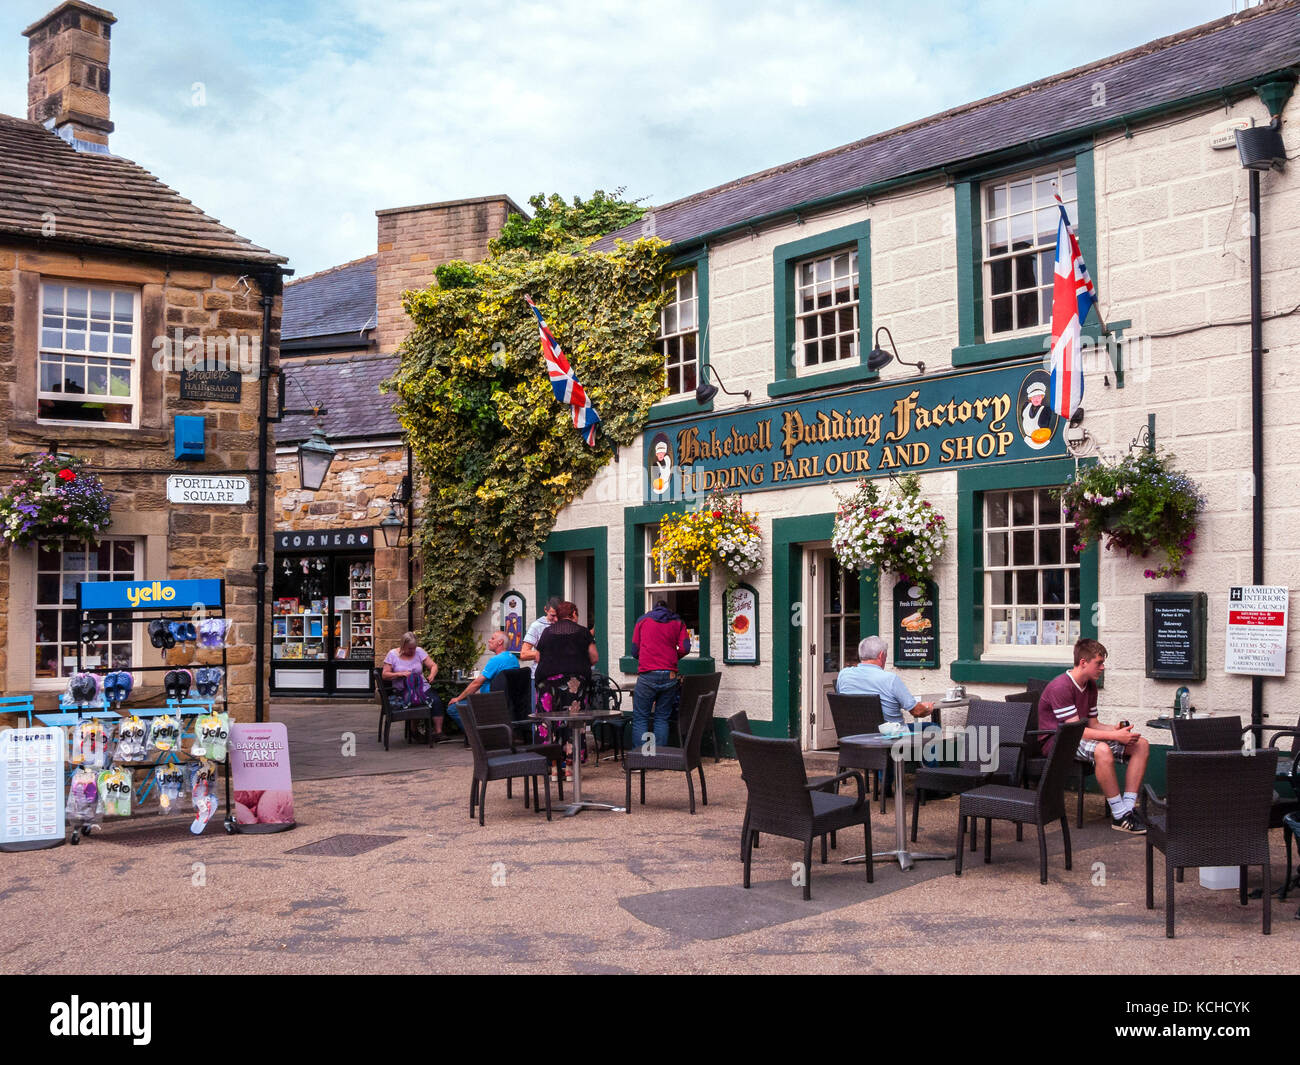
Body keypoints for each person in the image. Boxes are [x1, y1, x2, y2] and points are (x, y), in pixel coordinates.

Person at [1037, 638, 1149, 834]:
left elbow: (1093, 725)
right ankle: (1119, 815)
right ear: (1083, 662)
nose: (1102, 667)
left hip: (1077, 736)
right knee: (1102, 750)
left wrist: (1114, 730)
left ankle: (1128, 810)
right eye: (1099, 663)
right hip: (1057, 741)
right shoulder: (1061, 686)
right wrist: (1114, 738)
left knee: (1141, 744)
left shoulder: (1090, 686)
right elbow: (1075, 731)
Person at [534, 601, 599, 781]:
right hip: (574, 682)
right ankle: (570, 769)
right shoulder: (583, 632)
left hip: (547, 683)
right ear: (574, 614)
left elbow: (538, 657)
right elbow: (594, 657)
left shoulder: (547, 632)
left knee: (549, 722)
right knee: (574, 722)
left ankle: (554, 769)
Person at [630, 598, 692, 750]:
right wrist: (671, 657)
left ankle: (643, 758)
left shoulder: (642, 620)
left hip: (648, 674)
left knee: (641, 718)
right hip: (669, 675)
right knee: (661, 718)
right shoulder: (677, 622)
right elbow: (685, 647)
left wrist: (648, 658)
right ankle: (659, 759)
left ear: (653, 609)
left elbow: (634, 650)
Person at [836, 635, 934, 723]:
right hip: (890, 738)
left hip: (854, 737)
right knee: (933, 729)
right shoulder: (890, 679)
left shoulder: (844, 674)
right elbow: (917, 711)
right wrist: (927, 707)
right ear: (881, 655)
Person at [445, 631, 520, 732]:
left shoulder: (496, 660)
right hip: (506, 701)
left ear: (500, 642)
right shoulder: (513, 658)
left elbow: (476, 683)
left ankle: (478, 736)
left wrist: (458, 698)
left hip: (489, 701)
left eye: (493, 638)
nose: (489, 640)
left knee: (453, 708)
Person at [382, 631, 449, 742]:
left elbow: (433, 665)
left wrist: (432, 674)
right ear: (403, 645)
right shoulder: (392, 654)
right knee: (415, 700)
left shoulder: (419, 651)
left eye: (414, 648)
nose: (412, 651)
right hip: (402, 690)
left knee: (436, 700)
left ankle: (438, 732)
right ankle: (413, 731)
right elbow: (384, 675)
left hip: (421, 687)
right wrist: (400, 674)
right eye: (409, 648)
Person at [520, 596, 560, 710]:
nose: (556, 619)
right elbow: (524, 654)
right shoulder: (537, 626)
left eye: (558, 615)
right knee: (541, 714)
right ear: (545, 610)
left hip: (559, 675)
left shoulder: (562, 624)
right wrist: (545, 653)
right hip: (541, 676)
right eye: (552, 615)